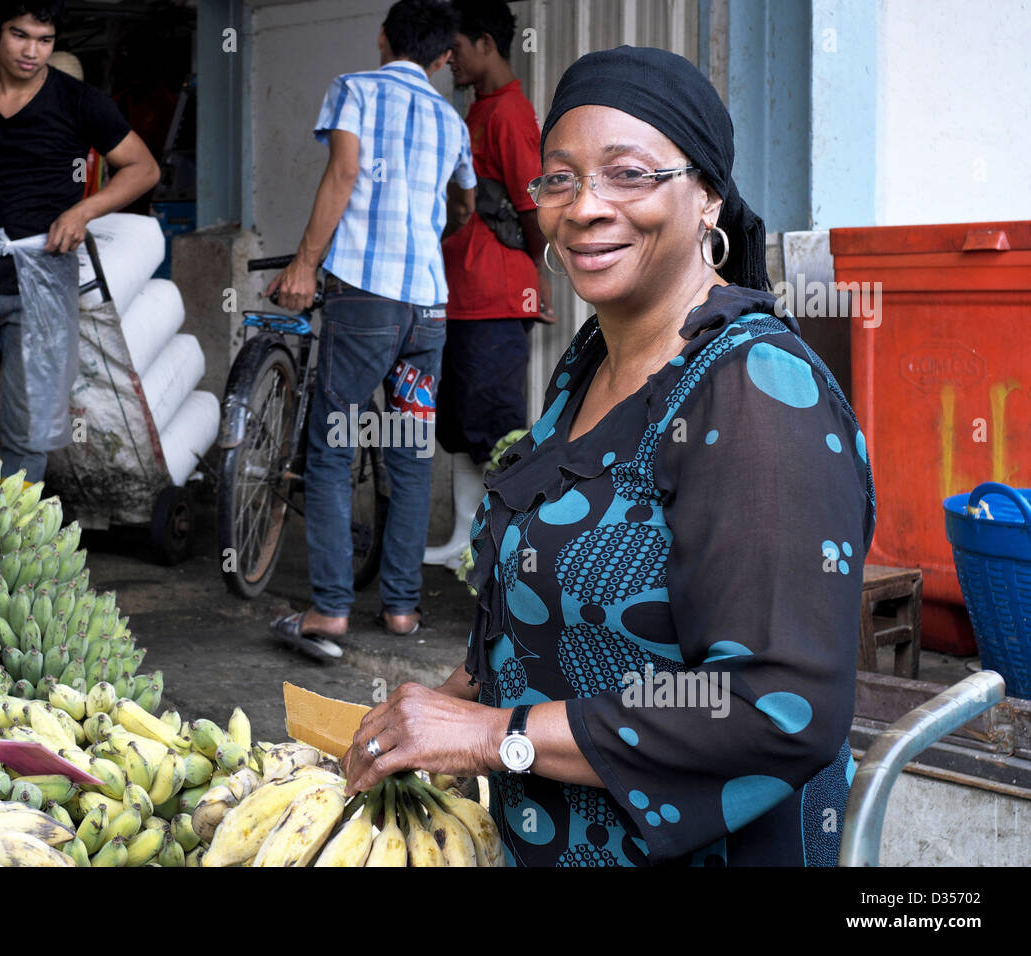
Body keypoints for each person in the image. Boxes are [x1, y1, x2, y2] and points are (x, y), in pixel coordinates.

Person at [342, 47, 876, 867]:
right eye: (559, 179)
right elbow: (582, 594)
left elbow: (776, 703)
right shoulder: (590, 362)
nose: (586, 206)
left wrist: (497, 737)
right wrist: (469, 692)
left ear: (707, 199)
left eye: (629, 174)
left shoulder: (756, 391)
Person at [266, 0, 476, 660]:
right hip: (427, 312)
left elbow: (346, 170)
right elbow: (464, 201)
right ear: (444, 58)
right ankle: (402, 609)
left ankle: (329, 611)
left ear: (383, 37)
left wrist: (304, 262)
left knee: (332, 446)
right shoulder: (450, 120)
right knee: (410, 452)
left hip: (365, 302)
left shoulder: (354, 90)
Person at [0, 0, 159, 480]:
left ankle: (15, 539)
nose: (32, 52)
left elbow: (143, 168)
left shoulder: (79, 102)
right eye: (20, 35)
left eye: (45, 40)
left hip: (45, 272)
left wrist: (83, 211)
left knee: (31, 422)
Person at [426, 0, 552, 570]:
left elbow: (533, 206)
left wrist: (540, 279)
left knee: (496, 426)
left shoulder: (508, 114)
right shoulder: (474, 111)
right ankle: (462, 542)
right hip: (459, 292)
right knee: (459, 424)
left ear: (485, 43)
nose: (449, 59)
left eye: (456, 47)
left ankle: (503, 556)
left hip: (496, 296)